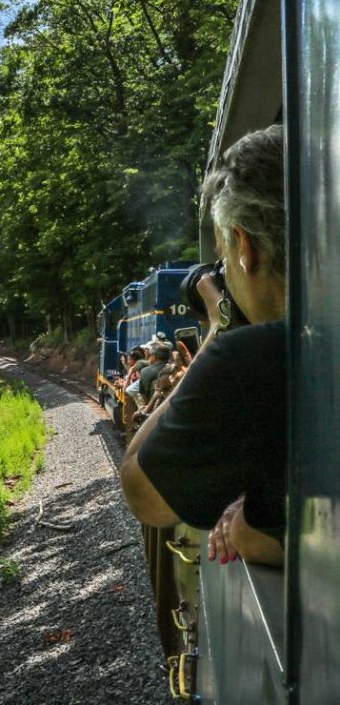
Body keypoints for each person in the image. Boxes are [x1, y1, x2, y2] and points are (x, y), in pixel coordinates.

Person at [120, 124, 287, 567]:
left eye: (224, 255)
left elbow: (142, 493)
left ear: (245, 247)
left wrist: (219, 324)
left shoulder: (254, 360)